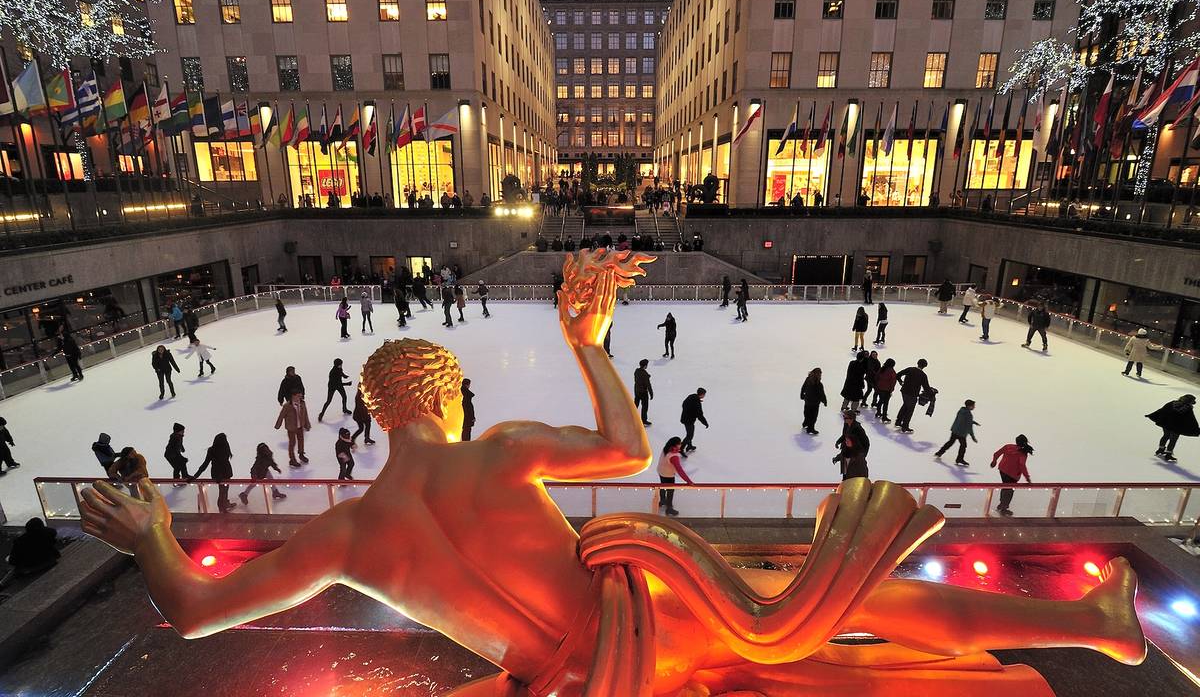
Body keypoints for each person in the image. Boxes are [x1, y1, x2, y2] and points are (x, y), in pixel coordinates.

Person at [77, 257, 1151, 693]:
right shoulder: (500, 451)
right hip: (637, 621)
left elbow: (195, 609)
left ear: (377, 410)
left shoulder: (351, 534)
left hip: (576, 673)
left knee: (829, 635)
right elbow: (631, 446)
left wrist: (152, 535)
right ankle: (1095, 620)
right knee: (849, 611)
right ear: (448, 398)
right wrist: (588, 338)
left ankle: (1095, 622)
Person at [192, 433, 236, 513]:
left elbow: (205, 464)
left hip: (218, 474)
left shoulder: (212, 450)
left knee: (223, 490)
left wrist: (196, 475)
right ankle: (222, 507)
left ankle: (224, 504)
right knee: (223, 491)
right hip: (224, 474)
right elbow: (222, 463)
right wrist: (195, 476)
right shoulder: (225, 448)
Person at [1147, 394, 1198, 463]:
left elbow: (1162, 410)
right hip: (1177, 427)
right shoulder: (1188, 408)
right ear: (1190, 402)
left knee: (1165, 436)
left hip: (1167, 424)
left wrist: (1152, 415)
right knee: (1173, 440)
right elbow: (1191, 420)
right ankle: (1168, 454)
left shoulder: (1172, 403)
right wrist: (1197, 429)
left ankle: (1160, 449)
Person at [991, 435, 1034, 516]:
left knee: (1005, 487)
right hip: (1013, 475)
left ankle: (1002, 504)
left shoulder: (1008, 447)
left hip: (1003, 470)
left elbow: (996, 454)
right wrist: (1027, 477)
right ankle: (1004, 507)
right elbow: (1022, 465)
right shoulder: (1023, 453)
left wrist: (994, 462)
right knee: (1010, 490)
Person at [935, 400, 981, 467]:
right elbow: (969, 427)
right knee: (963, 445)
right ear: (969, 406)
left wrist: (974, 422)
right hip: (961, 433)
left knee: (950, 442)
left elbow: (965, 420)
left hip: (955, 430)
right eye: (973, 406)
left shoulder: (961, 410)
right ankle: (959, 459)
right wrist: (973, 437)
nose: (974, 407)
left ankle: (939, 452)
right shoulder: (968, 414)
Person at [656, 436, 694, 517]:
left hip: (661, 471)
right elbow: (680, 470)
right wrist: (689, 481)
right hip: (668, 475)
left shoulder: (666, 448)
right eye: (679, 444)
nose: (681, 445)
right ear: (675, 445)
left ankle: (662, 500)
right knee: (670, 490)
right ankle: (669, 508)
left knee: (662, 485)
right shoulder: (674, 457)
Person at [275, 391, 311, 467]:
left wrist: (307, 424)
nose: (299, 398)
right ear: (293, 396)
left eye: (300, 396)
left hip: (300, 426)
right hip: (291, 428)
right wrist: (278, 425)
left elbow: (305, 414)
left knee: (301, 441)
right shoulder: (287, 406)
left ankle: (301, 454)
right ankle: (292, 459)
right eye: (298, 396)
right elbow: (281, 416)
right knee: (292, 443)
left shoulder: (302, 403)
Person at [895, 358, 930, 434]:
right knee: (910, 410)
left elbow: (898, 375)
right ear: (924, 366)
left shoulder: (910, 369)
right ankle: (905, 426)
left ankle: (898, 421)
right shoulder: (923, 375)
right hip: (912, 394)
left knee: (905, 405)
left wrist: (901, 381)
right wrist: (932, 393)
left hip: (904, 391)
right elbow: (926, 387)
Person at [832, 410, 870, 480]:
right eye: (844, 417)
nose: (844, 419)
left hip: (855, 479)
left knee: (850, 472)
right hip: (850, 451)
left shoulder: (858, 429)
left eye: (845, 418)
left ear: (851, 418)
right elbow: (844, 435)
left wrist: (863, 454)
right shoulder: (846, 425)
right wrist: (838, 441)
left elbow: (866, 442)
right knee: (845, 474)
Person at [680, 387, 708, 455]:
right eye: (704, 394)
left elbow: (684, 404)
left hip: (684, 418)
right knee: (690, 435)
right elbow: (700, 415)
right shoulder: (697, 403)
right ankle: (681, 449)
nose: (704, 396)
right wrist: (705, 423)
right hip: (689, 421)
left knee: (689, 433)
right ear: (702, 395)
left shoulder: (691, 396)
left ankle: (689, 446)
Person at [800, 368, 827, 435]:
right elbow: (821, 394)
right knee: (813, 416)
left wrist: (802, 394)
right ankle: (810, 428)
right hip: (815, 403)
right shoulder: (819, 384)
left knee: (807, 413)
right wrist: (824, 401)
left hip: (808, 400)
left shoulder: (808, 379)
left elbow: (803, 387)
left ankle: (806, 423)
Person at [872, 358, 898, 422]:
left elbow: (876, 377)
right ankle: (884, 416)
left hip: (880, 388)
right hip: (887, 390)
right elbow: (893, 382)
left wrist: (878, 384)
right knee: (886, 403)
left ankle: (878, 412)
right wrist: (891, 390)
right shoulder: (892, 371)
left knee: (880, 400)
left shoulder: (882, 369)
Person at [633, 359, 653, 424]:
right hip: (643, 392)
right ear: (645, 366)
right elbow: (648, 385)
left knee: (635, 405)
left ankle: (631, 416)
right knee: (645, 407)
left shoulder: (636, 371)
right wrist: (651, 393)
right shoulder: (645, 374)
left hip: (637, 391)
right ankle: (644, 420)